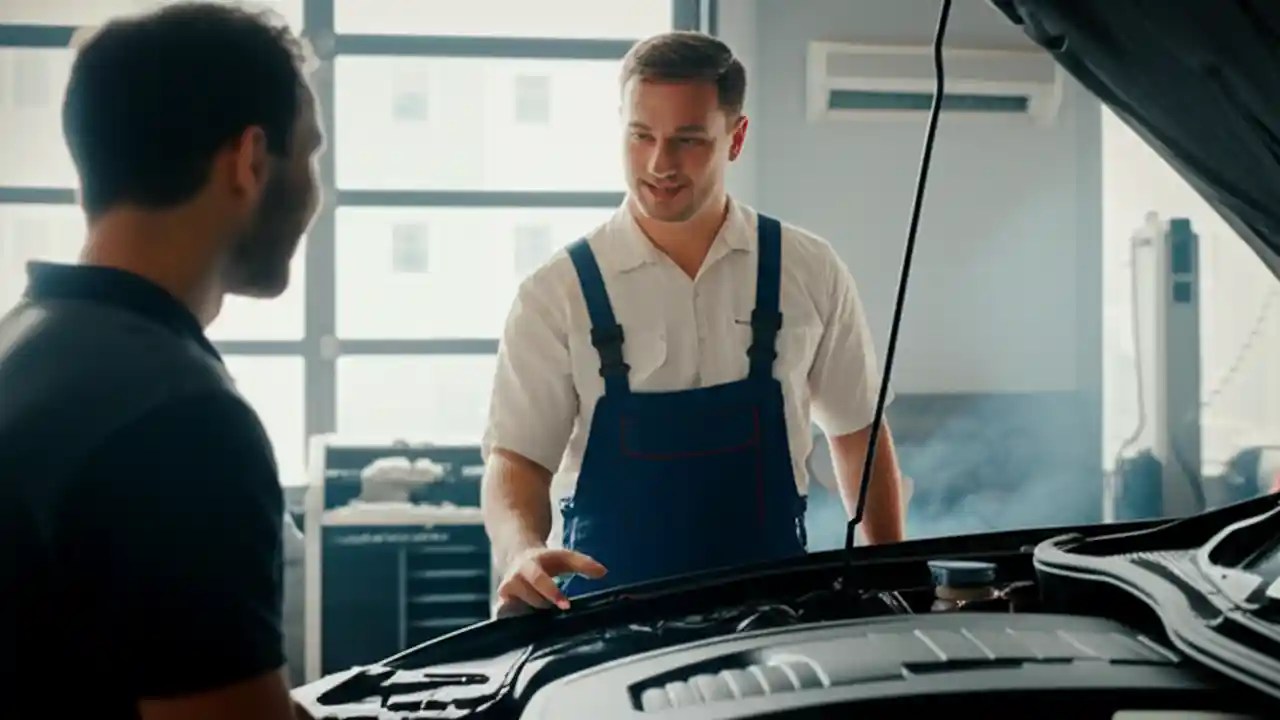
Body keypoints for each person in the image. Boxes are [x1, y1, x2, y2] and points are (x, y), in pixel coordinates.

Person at [481, 30, 906, 614]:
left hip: (773, 616)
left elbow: (859, 436)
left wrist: (894, 582)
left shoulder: (808, 269)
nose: (660, 164)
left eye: (688, 140)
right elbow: (517, 460)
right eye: (641, 136)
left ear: (736, 137)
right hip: (608, 624)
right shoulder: (556, 293)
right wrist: (521, 549)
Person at [0, 4, 322, 719]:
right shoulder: (179, 421)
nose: (314, 195)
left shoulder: (27, 346)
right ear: (250, 161)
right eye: (310, 155)